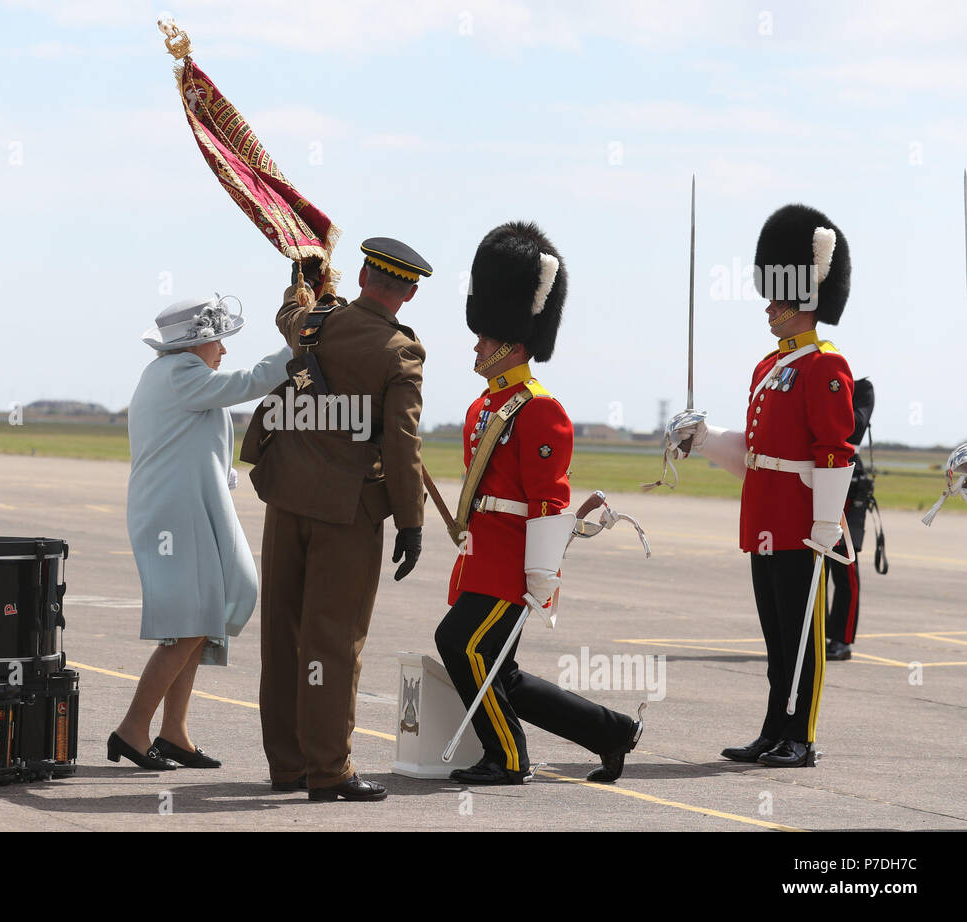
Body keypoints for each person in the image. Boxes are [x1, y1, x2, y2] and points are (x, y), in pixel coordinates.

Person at [433, 221, 643, 786]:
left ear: (515, 343)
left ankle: (507, 755)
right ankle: (611, 731)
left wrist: (542, 574)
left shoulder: (539, 409)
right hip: (484, 555)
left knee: (458, 644)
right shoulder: (486, 407)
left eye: (487, 337)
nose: (477, 345)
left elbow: (549, 501)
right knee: (503, 672)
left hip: (512, 564)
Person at [241, 238, 430, 802]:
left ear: (366, 274)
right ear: (410, 293)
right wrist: (411, 523)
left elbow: (287, 314)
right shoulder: (401, 352)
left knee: (282, 633)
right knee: (332, 643)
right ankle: (329, 772)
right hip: (345, 512)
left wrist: (306, 280)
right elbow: (401, 444)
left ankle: (288, 765)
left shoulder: (314, 323)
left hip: (286, 499)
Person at [669, 203, 855, 768]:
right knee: (778, 642)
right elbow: (756, 455)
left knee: (805, 639)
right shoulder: (767, 368)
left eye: (779, 298)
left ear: (806, 299)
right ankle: (775, 730)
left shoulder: (827, 365)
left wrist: (825, 522)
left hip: (803, 521)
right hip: (767, 520)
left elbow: (833, 451)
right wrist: (703, 438)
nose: (769, 307)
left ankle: (802, 737)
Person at [108, 294, 290, 770]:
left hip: (182, 508)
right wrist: (295, 348)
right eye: (217, 341)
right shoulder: (181, 375)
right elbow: (249, 382)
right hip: (176, 514)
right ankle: (133, 729)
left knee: (200, 618)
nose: (222, 351)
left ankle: (173, 732)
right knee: (189, 625)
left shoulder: (166, 374)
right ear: (195, 343)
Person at [826, 377, 875, 661]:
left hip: (848, 484)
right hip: (817, 474)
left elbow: (853, 426)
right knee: (812, 569)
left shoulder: (861, 388)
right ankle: (814, 634)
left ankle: (841, 640)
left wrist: (830, 393)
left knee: (845, 567)